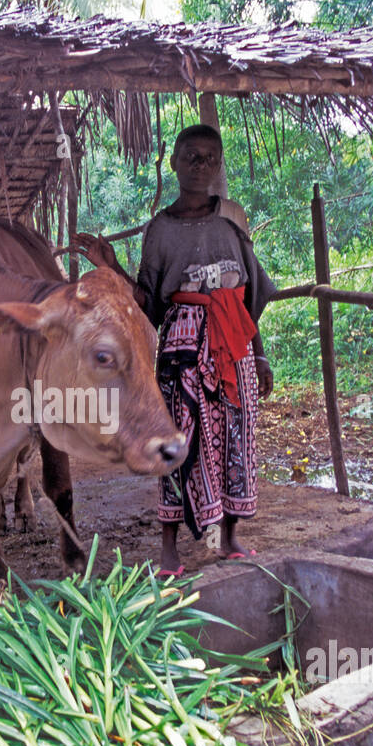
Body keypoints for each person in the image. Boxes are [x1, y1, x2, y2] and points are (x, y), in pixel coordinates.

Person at [75, 123, 276, 573]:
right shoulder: (160, 229)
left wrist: (258, 353)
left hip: (234, 346)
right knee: (175, 442)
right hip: (182, 348)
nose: (200, 165)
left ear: (219, 163)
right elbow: (146, 301)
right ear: (174, 162)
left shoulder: (233, 218)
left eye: (209, 157)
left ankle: (229, 537)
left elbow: (248, 296)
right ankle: (168, 549)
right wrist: (112, 269)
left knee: (236, 438)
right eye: (191, 156)